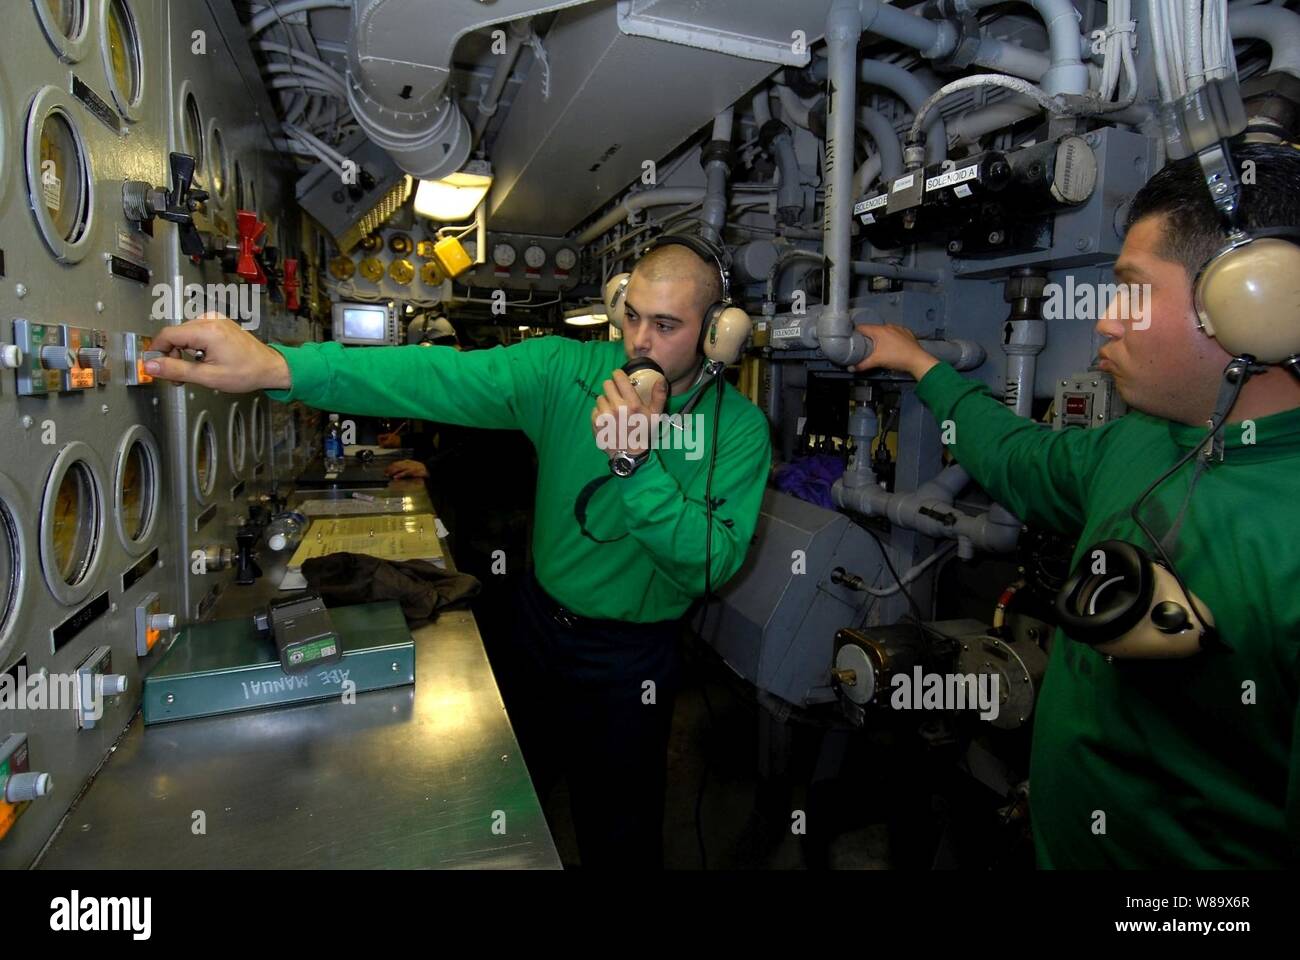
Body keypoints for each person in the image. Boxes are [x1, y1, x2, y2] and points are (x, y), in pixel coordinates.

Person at [142, 242, 773, 868]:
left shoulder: (737, 431)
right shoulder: (566, 371)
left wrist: (635, 464)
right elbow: (434, 375)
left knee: (620, 833)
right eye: (631, 315)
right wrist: (281, 367)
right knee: (496, 800)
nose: (639, 342)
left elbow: (708, 565)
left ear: (717, 331)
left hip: (632, 660)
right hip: (539, 625)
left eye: (667, 326)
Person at [854, 140, 1300, 868]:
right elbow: (1015, 457)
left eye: (1131, 288)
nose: (1102, 320)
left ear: (1251, 303)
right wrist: (922, 366)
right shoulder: (1140, 442)